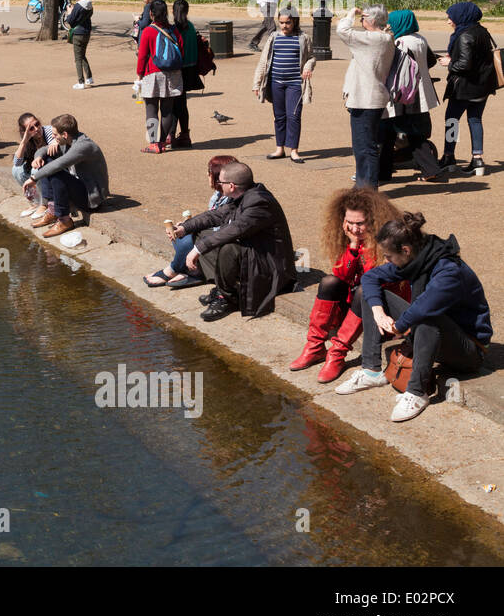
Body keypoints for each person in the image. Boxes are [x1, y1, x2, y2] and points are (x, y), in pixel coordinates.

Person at [337, 212, 491, 422]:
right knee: (368, 293)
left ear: (406, 250)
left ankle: (417, 393)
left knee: (424, 317)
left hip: (468, 351)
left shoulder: (448, 271)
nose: (386, 260)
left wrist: (399, 326)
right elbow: (371, 277)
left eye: (389, 257)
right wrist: (378, 312)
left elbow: (423, 307)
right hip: (436, 332)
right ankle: (371, 371)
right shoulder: (418, 257)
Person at [288, 187, 405, 381]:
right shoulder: (353, 237)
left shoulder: (388, 241)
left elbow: (372, 280)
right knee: (329, 282)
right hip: (359, 306)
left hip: (383, 311)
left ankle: (337, 354)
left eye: (360, 223)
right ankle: (314, 346)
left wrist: (365, 247)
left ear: (374, 222)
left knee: (362, 291)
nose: (353, 228)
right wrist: (352, 245)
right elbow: (341, 275)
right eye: (349, 222)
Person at [173, 162, 297, 322]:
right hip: (254, 253)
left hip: (271, 266)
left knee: (228, 247)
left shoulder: (259, 202)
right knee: (201, 234)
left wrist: (198, 249)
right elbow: (215, 216)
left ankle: (228, 298)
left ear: (231, 186)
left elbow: (236, 229)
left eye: (221, 182)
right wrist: (185, 227)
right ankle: (223, 288)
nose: (218, 185)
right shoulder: (244, 195)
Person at [146, 155, 240, 288]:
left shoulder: (234, 199)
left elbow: (222, 229)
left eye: (209, 173)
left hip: (224, 246)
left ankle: (175, 270)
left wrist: (191, 231)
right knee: (179, 235)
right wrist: (186, 226)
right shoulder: (218, 195)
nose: (207, 175)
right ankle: (194, 270)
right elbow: (210, 217)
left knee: (188, 241)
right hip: (213, 239)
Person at [380, 10, 444, 181]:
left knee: (393, 132)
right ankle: (428, 168)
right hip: (420, 91)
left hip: (406, 94)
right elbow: (430, 60)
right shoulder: (420, 38)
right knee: (410, 133)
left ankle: (385, 171)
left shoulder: (401, 42)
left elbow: (393, 66)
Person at [23, 113, 110, 238]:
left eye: (55, 135)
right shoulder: (67, 140)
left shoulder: (83, 146)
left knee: (55, 170)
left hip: (91, 199)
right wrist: (38, 157)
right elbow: (43, 150)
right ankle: (53, 211)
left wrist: (33, 179)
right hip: (79, 187)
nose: (52, 138)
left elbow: (59, 164)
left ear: (64, 134)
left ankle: (65, 220)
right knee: (45, 161)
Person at [338, 6, 394, 189]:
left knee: (365, 146)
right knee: (363, 146)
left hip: (366, 97)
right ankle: (363, 184)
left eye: (363, 18)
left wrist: (350, 14)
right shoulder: (385, 38)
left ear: (371, 20)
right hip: (370, 96)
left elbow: (342, 30)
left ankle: (367, 187)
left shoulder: (374, 39)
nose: (361, 21)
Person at [438, 1, 496, 176]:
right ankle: (477, 158)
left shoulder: (463, 35)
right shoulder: (482, 31)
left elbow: (464, 64)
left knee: (452, 120)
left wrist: (449, 62)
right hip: (482, 86)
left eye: (451, 17)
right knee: (475, 120)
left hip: (464, 87)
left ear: (462, 16)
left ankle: (449, 156)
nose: (449, 21)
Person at [252, 10, 315, 162]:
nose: (284, 26)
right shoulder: (274, 37)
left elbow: (312, 57)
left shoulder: (303, 38)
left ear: (294, 22)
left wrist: (308, 67)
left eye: (288, 22)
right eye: (281, 22)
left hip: (295, 83)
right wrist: (257, 83)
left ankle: (294, 150)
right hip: (276, 83)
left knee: (293, 116)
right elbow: (263, 61)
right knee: (279, 116)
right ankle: (280, 148)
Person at [136, 0, 184, 153]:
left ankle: (153, 143)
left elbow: (142, 56)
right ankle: (162, 142)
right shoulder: (173, 30)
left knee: (151, 109)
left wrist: (139, 75)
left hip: (153, 73)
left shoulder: (148, 31)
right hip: (173, 74)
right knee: (167, 111)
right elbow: (181, 49)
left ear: (151, 14)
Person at [170, 0, 201, 147]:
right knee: (181, 103)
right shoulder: (191, 27)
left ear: (173, 11)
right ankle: (184, 134)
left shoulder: (173, 29)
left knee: (173, 104)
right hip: (191, 68)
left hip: (177, 69)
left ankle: (171, 134)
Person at [66, 0, 94, 89]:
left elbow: (70, 20)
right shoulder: (90, 6)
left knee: (78, 58)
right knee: (82, 55)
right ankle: (89, 77)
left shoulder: (78, 6)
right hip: (87, 32)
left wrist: (70, 12)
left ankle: (80, 82)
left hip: (78, 34)